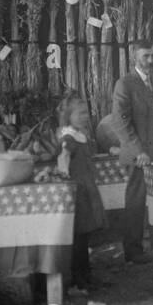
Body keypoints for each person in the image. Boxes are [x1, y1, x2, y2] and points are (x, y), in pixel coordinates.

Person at [113, 44, 153, 264]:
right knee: (136, 202)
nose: (150, 60)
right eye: (145, 56)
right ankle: (133, 251)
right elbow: (120, 122)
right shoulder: (125, 84)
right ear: (134, 57)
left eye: (152, 56)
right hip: (139, 154)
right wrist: (139, 152)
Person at [56, 92, 108, 294]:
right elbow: (64, 157)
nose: (85, 117)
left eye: (86, 113)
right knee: (78, 237)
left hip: (87, 188)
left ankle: (87, 276)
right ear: (68, 117)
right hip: (77, 190)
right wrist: (64, 173)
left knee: (85, 236)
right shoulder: (69, 137)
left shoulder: (81, 135)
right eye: (79, 114)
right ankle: (79, 280)